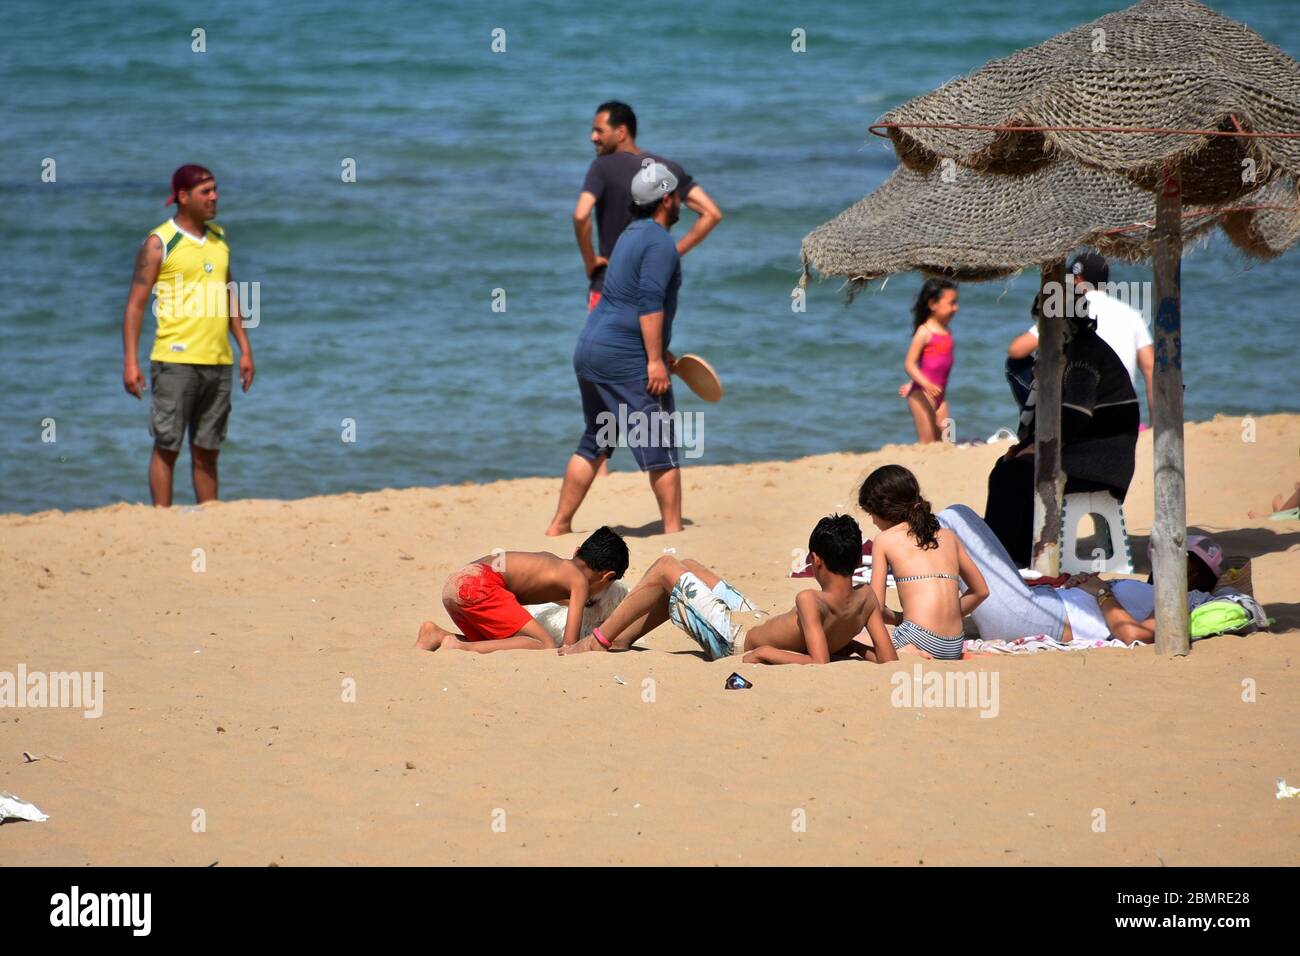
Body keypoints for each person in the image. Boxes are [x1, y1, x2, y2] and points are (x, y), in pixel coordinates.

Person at [547, 163, 687, 537]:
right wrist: (654, 360)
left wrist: (660, 351)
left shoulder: (628, 235)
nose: (680, 204)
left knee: (597, 437)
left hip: (589, 349)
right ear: (666, 199)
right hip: (623, 356)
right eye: (677, 198)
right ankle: (673, 531)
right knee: (661, 443)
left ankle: (558, 526)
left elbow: (626, 298)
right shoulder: (660, 243)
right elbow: (648, 303)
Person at [559, 515, 896, 664]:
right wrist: (852, 646)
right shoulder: (865, 597)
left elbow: (818, 662)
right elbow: (886, 657)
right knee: (687, 566)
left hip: (732, 641)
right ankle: (620, 637)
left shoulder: (809, 599)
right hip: (748, 618)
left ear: (817, 561)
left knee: (665, 567)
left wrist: (766, 654)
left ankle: (598, 641)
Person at [121, 164, 254, 507]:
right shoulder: (159, 243)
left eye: (215, 189)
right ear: (183, 197)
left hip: (218, 361)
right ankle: (161, 520)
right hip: (175, 361)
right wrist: (130, 363)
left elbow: (228, 294)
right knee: (168, 447)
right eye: (206, 191)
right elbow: (135, 306)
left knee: (208, 450)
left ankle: (209, 519)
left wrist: (245, 349)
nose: (214, 196)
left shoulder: (220, 238)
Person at [984, 294, 1140, 568]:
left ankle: (1007, 560)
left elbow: (1075, 415)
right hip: (1088, 456)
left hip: (1100, 465)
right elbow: (1059, 420)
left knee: (1012, 476)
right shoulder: (1073, 350)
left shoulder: (1082, 355)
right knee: (1008, 469)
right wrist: (1024, 447)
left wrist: (1033, 449)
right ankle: (1010, 556)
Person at [938, 503, 1225, 645]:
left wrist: (1101, 592)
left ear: (1191, 573)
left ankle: (915, 597)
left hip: (1032, 619)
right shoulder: (1156, 593)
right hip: (1037, 606)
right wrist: (1081, 587)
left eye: (1175, 558)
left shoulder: (1182, 601)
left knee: (952, 520)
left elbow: (1133, 635)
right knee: (958, 517)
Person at [574, 101, 722, 314]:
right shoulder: (667, 169)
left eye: (599, 131)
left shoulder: (602, 167)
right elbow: (711, 213)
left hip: (611, 285)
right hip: (654, 284)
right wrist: (673, 253)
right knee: (649, 346)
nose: (593, 137)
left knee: (606, 345)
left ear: (621, 132)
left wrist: (590, 262)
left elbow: (580, 215)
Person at [415, 526, 629, 653]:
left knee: (499, 644)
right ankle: (459, 648)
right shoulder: (579, 583)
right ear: (606, 577)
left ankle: (436, 634)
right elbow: (569, 645)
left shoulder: (553, 564)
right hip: (482, 585)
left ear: (577, 551)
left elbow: (548, 594)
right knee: (544, 644)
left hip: (460, 582)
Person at [857, 465, 988, 660]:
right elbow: (981, 591)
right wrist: (947, 615)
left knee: (851, 641)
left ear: (884, 509)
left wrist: (900, 618)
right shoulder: (949, 536)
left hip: (917, 638)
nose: (874, 522)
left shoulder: (884, 540)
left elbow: (875, 607)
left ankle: (908, 652)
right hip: (953, 645)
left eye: (871, 514)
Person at [1006, 253, 1155, 417]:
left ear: (1078, 280)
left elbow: (1016, 350)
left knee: (1015, 364)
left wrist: (1044, 322)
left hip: (1079, 410)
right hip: (1121, 410)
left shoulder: (1071, 310)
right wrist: (1154, 423)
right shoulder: (1132, 315)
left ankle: (1035, 428)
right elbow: (1150, 369)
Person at [899, 278, 958, 443]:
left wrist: (913, 381)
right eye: (951, 303)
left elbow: (930, 366)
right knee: (928, 443)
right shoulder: (924, 332)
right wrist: (922, 384)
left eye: (956, 303)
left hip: (940, 397)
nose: (956, 308)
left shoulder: (947, 332)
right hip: (922, 394)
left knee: (945, 442)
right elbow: (909, 363)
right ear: (933, 304)